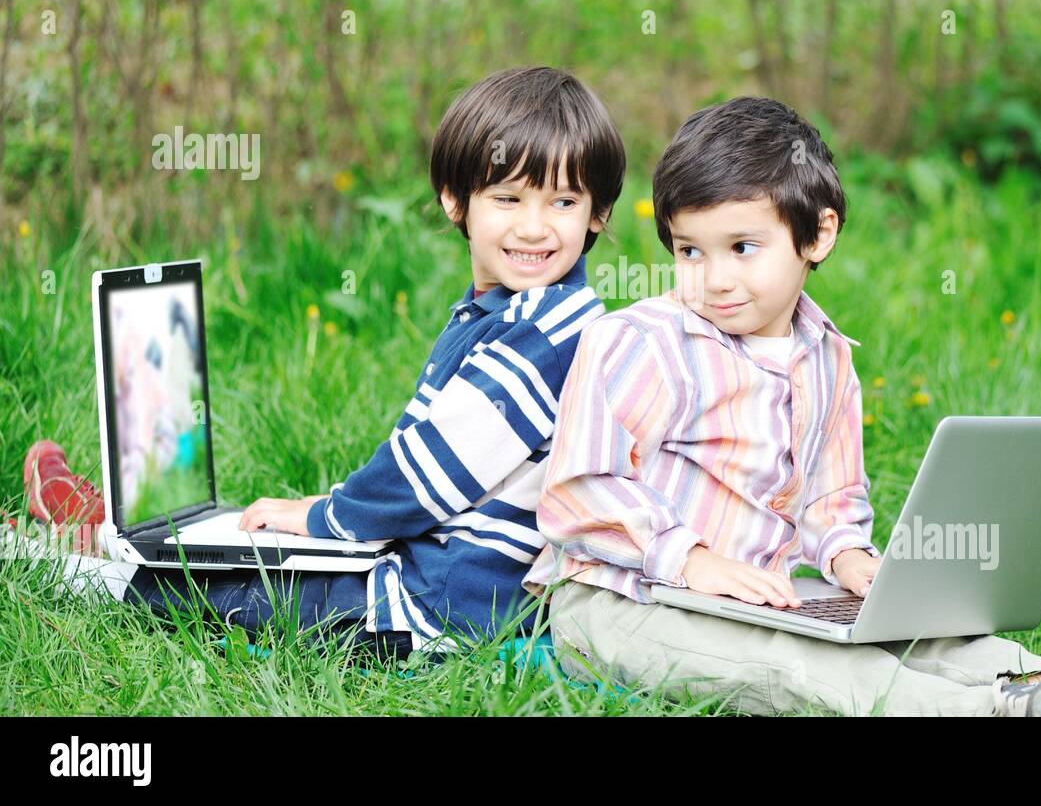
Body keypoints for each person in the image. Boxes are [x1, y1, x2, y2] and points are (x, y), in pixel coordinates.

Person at [523, 96, 1041, 716]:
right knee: (795, 669)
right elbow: (578, 488)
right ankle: (1006, 714)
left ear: (817, 235)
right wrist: (691, 559)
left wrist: (853, 563)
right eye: (691, 251)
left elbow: (830, 502)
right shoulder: (640, 342)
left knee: (930, 637)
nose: (713, 278)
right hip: (622, 601)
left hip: (768, 593)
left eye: (742, 248)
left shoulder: (829, 359)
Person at [8, 66, 626, 664]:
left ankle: (78, 569)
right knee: (262, 546)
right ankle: (118, 531)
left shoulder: (545, 334)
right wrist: (327, 511)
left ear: (597, 213)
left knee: (235, 594)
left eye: (563, 201)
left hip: (442, 605)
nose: (534, 226)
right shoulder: (516, 311)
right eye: (508, 198)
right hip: (438, 569)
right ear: (454, 201)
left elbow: (426, 475)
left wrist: (323, 518)